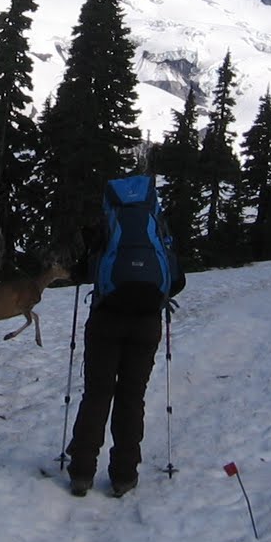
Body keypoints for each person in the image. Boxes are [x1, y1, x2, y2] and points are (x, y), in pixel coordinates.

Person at [65, 198, 185, 498]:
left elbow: (84, 273)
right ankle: (124, 475)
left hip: (105, 320)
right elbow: (176, 280)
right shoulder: (157, 226)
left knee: (96, 394)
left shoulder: (107, 224)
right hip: (146, 324)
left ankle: (81, 472)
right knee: (132, 397)